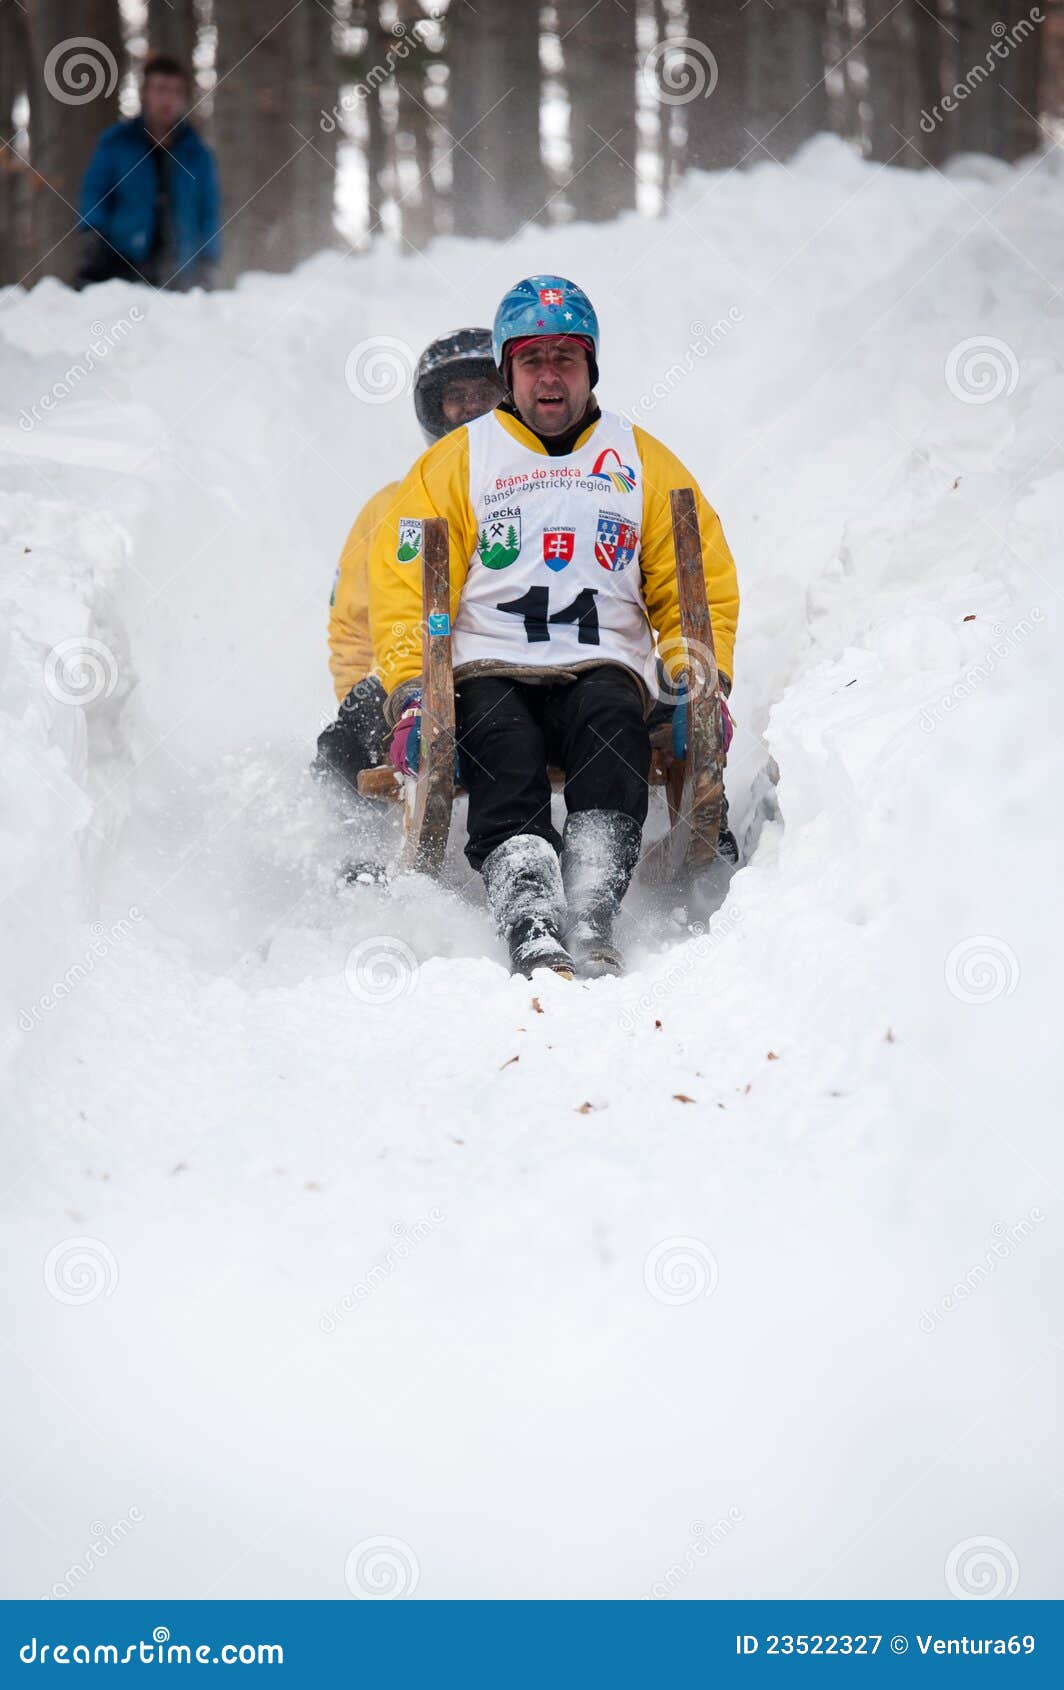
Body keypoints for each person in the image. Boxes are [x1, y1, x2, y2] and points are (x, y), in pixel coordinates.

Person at [369, 275, 740, 978]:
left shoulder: (640, 459)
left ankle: (594, 896)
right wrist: (414, 693)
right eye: (532, 359)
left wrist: (695, 683)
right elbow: (402, 585)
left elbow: (693, 583)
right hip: (488, 667)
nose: (548, 375)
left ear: (589, 368)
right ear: (507, 372)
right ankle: (529, 909)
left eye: (565, 358)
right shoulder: (456, 461)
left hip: (602, 663)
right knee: (503, 743)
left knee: (612, 723)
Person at [314, 329, 506, 792]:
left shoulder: (544, 487)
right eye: (456, 397)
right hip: (412, 679)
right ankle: (351, 836)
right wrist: (372, 700)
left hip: (510, 671)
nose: (471, 407)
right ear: (434, 410)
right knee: (340, 744)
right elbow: (353, 627)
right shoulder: (389, 507)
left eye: (484, 393)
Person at [75, 54, 220, 292]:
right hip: (120, 267)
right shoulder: (117, 143)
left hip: (180, 274)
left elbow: (209, 211)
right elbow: (94, 193)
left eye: (175, 91)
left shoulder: (197, 154)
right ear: (144, 94)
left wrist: (209, 259)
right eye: (160, 89)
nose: (167, 99)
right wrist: (91, 233)